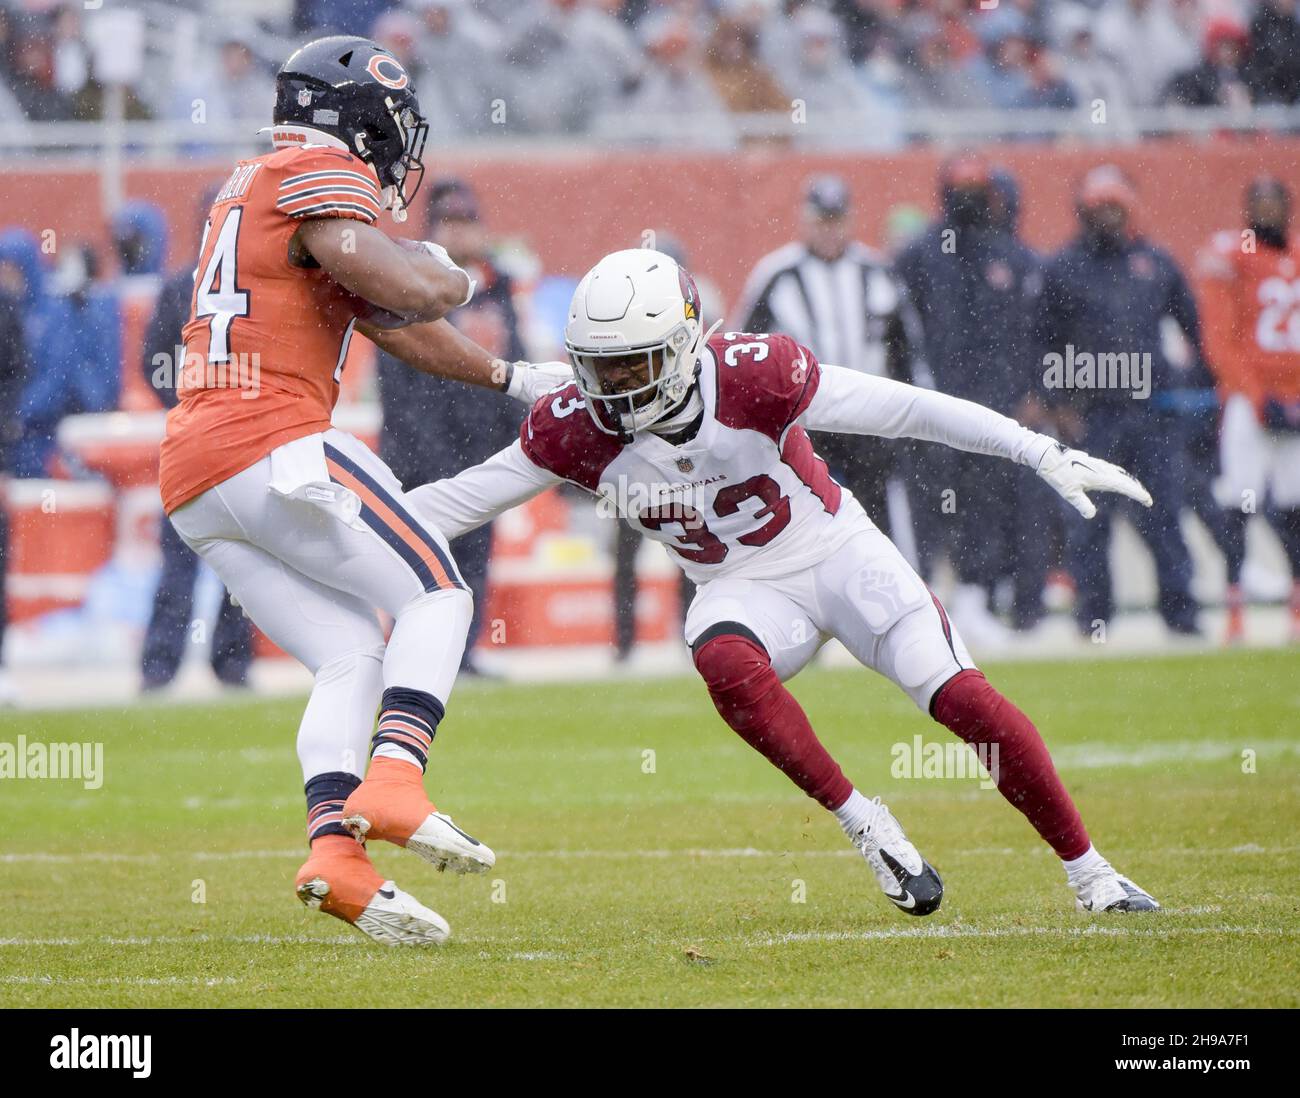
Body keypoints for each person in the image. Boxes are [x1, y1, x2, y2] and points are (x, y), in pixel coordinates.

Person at [412, 248, 1162, 916]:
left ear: (680, 346)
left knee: (966, 701)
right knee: (717, 652)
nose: (608, 386)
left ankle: (1093, 875)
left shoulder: (754, 377)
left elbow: (904, 410)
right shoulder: (572, 427)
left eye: (629, 365)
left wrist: (1033, 450)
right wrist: (337, 532)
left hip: (837, 553)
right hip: (744, 588)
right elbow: (452, 502)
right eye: (596, 366)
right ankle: (863, 821)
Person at [158, 35, 567, 945]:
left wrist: (509, 377)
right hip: (271, 438)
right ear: (351, 119)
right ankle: (396, 779)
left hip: (195, 474)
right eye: (388, 126)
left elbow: (384, 319)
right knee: (438, 592)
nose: (394, 148)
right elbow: (399, 284)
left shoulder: (253, 186)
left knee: (349, 652)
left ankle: (335, 856)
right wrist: (459, 270)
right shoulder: (316, 172)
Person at [1038, 165, 1203, 638]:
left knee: (1163, 514)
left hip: (1151, 414)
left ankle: (1182, 616)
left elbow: (1192, 329)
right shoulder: (1063, 267)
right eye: (1099, 206)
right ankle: (1094, 620)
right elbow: (1040, 342)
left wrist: (1187, 390)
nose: (1107, 215)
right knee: (1089, 521)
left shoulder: (1157, 262)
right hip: (1091, 418)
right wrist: (1058, 403)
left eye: (1115, 205)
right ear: (1084, 211)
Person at [895, 156, 1046, 640]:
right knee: (930, 508)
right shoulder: (918, 256)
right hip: (929, 408)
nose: (968, 199)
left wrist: (1032, 391)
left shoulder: (1013, 257)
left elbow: (1032, 332)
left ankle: (977, 599)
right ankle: (924, 604)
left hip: (992, 408)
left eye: (975, 188)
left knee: (986, 504)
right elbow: (898, 332)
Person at [376, 178, 523, 674]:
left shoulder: (497, 287)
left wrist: (514, 438)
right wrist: (424, 450)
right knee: (419, 562)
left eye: (468, 221)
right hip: (420, 453)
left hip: (481, 448)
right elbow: (398, 379)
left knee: (475, 559)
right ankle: (408, 655)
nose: (461, 234)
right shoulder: (408, 284)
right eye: (450, 222)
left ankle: (463, 653)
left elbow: (513, 361)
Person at [735, 175, 926, 551]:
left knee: (879, 528)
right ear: (804, 220)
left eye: (835, 220)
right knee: (805, 523)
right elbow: (744, 356)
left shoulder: (878, 273)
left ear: (849, 220)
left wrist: (911, 421)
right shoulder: (776, 275)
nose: (828, 230)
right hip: (805, 423)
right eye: (821, 220)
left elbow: (906, 354)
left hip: (868, 422)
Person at [139, 186, 253, 692]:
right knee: (183, 555)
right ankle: (161, 666)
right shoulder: (179, 289)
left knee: (242, 562)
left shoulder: (253, 284)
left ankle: (229, 664)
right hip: (196, 439)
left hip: (239, 441)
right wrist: (190, 403)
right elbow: (154, 361)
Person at [1197, 176, 1300, 642]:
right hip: (1249, 400)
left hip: (1294, 400)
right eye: (1257, 202)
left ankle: (1295, 605)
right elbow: (1219, 339)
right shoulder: (1232, 255)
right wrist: (1259, 397)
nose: (1267, 211)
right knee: (1240, 501)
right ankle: (1235, 605)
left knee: (1294, 507)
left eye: (1274, 202)